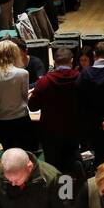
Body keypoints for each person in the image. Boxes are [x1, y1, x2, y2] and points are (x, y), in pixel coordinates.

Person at [29, 46, 81, 175]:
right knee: (71, 166)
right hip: (73, 130)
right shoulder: (81, 78)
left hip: (50, 133)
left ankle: (57, 192)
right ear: (72, 61)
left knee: (53, 167)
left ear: (54, 62)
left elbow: (32, 106)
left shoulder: (44, 81)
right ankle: (68, 192)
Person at [0, 40, 33, 151]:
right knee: (26, 153)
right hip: (20, 119)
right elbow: (24, 98)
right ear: (15, 53)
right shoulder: (22, 73)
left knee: (8, 152)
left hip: (1, 121)